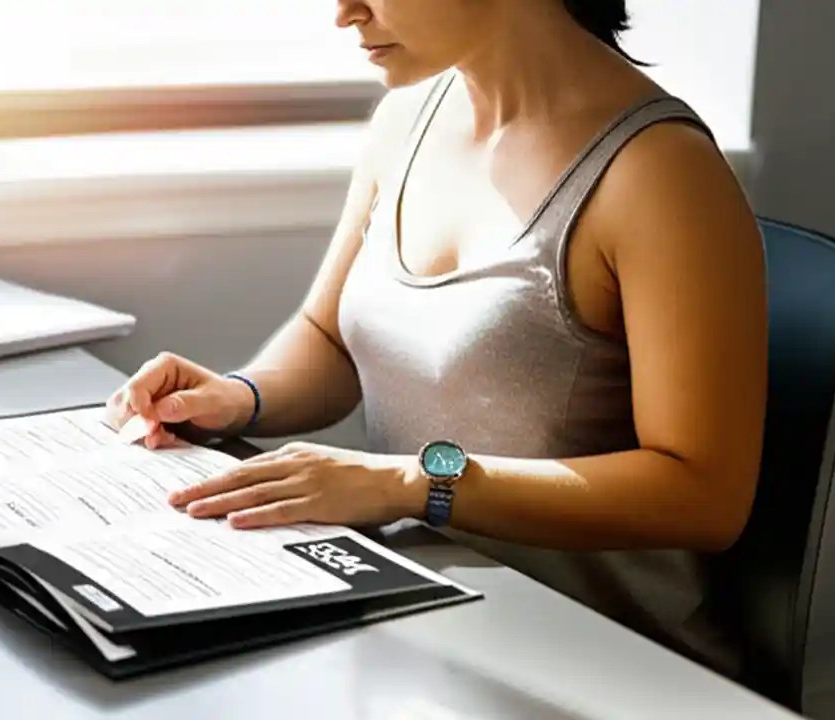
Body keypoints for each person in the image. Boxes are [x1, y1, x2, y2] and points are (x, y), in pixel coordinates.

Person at [104, 0, 766, 676]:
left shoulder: (662, 174)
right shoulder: (407, 119)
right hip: (431, 627)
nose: (345, 13)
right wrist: (238, 397)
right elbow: (330, 339)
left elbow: (703, 495)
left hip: (603, 665)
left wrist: (413, 482)